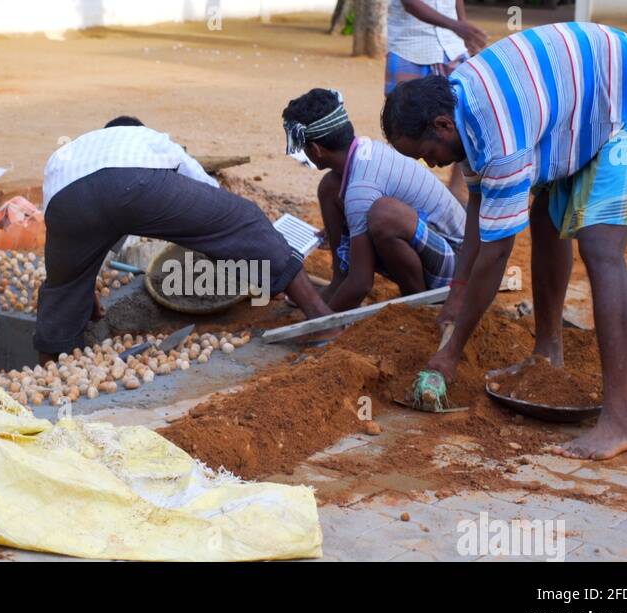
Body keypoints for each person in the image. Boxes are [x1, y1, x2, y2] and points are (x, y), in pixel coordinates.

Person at [382, 23, 627, 459]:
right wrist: (456, 289)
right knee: (546, 215)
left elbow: (497, 250)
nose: (430, 164)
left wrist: (451, 353)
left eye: (424, 153)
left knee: (600, 246)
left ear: (441, 125)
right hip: (586, 100)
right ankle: (547, 355)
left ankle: (619, 420)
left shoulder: (498, 132)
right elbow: (478, 205)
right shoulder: (461, 107)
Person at [35, 116, 334, 362]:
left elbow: (77, 229)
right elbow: (205, 189)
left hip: (66, 200)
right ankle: (322, 322)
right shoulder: (147, 138)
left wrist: (80, 285)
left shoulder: (71, 154)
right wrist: (243, 249)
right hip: (137, 183)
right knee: (245, 220)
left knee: (62, 289)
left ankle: (50, 371)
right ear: (134, 131)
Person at [282, 88, 466, 310]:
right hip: (436, 248)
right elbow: (352, 278)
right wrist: (319, 301)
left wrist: (319, 320)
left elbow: (361, 284)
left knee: (383, 215)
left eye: (303, 148)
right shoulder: (362, 152)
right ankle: (337, 288)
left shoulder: (362, 186)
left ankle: (418, 304)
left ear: (316, 149)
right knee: (330, 187)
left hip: (460, 265)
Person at [386, 0, 487, 200]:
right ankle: (407, 197)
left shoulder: (457, 34)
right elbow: (410, 3)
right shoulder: (449, 28)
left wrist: (463, 25)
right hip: (409, 45)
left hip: (451, 46)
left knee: (462, 120)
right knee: (401, 125)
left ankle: (457, 193)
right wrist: (457, 26)